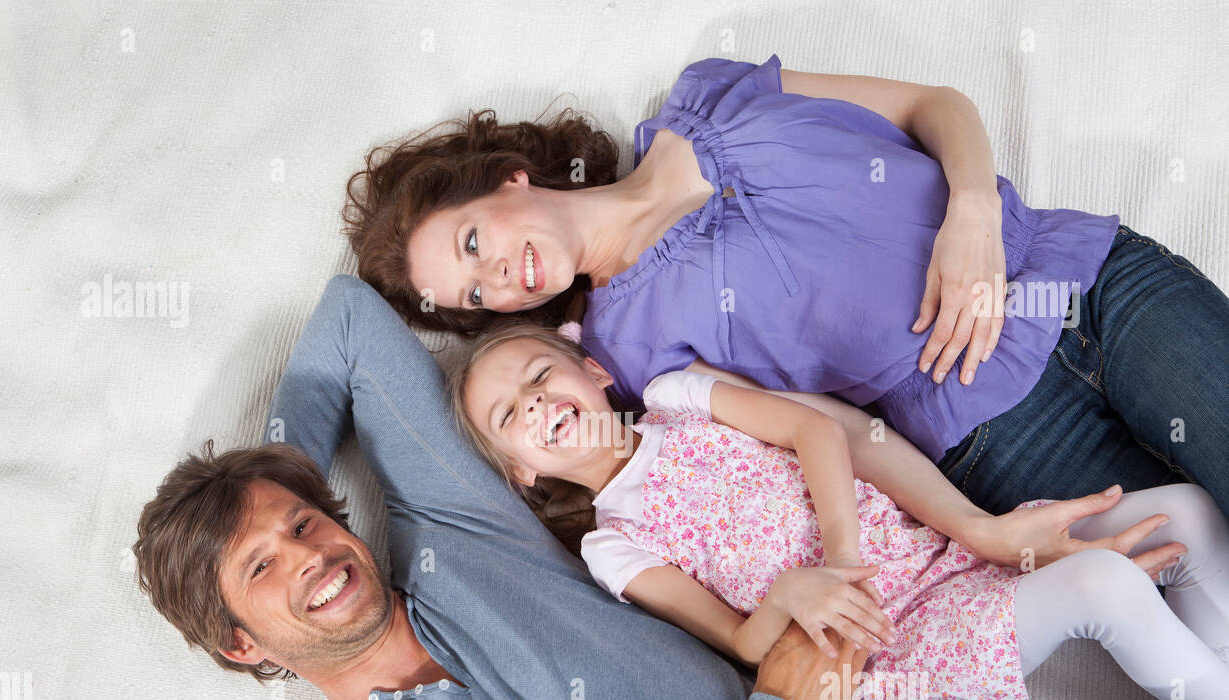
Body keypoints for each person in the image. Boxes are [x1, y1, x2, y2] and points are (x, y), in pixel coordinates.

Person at [134, 277, 1229, 700]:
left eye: (306, 522)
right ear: (241, 642)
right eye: (261, 567)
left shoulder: (460, 541)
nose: (314, 552)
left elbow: (349, 326)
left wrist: (266, 471)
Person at [348, 53, 1229, 534]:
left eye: (473, 243)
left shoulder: (709, 93)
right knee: (1201, 570)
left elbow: (934, 104)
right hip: (992, 426)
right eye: (471, 296)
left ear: (507, 182)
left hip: (1090, 281)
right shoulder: (626, 360)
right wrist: (975, 532)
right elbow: (830, 437)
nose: (495, 278)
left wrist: (970, 210)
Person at [446, 318, 1229, 700]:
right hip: (893, 644)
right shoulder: (612, 542)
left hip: (930, 552)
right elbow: (741, 641)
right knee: (1104, 585)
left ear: (588, 368)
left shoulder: (674, 398)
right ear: (520, 470)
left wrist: (844, 556)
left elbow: (817, 428)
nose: (538, 401)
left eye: (541, 374)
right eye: (512, 414)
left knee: (1185, 514)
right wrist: (791, 594)